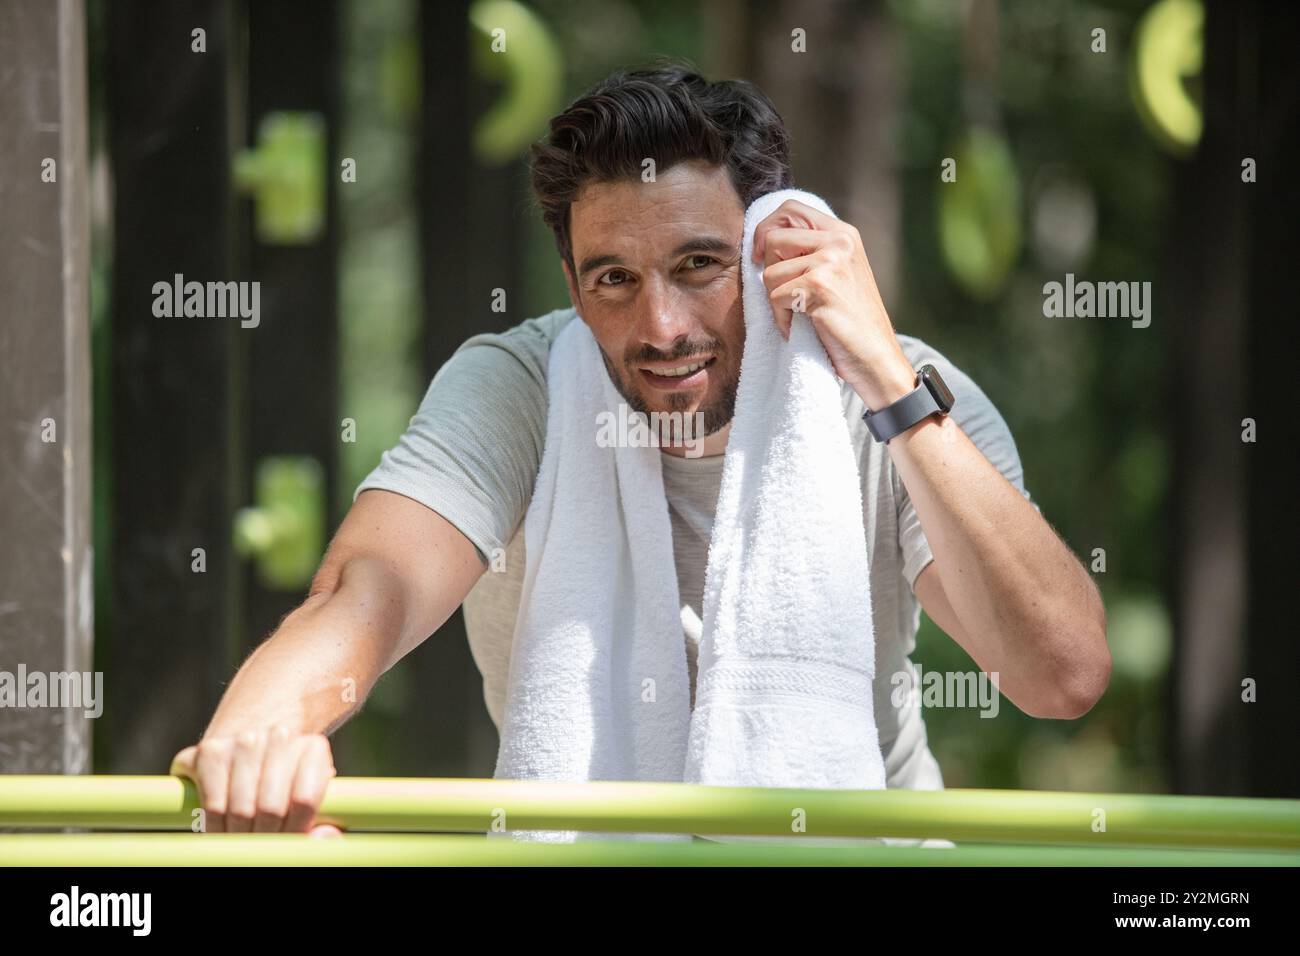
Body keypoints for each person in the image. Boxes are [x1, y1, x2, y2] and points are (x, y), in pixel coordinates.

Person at [171, 64, 1109, 835]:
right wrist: (260, 730)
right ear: (573, 289)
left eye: (699, 266)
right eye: (613, 278)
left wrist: (891, 385)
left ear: (765, 249)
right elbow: (370, 588)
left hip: (868, 853)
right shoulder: (520, 383)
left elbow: (1059, 675)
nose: (660, 327)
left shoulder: (911, 396)